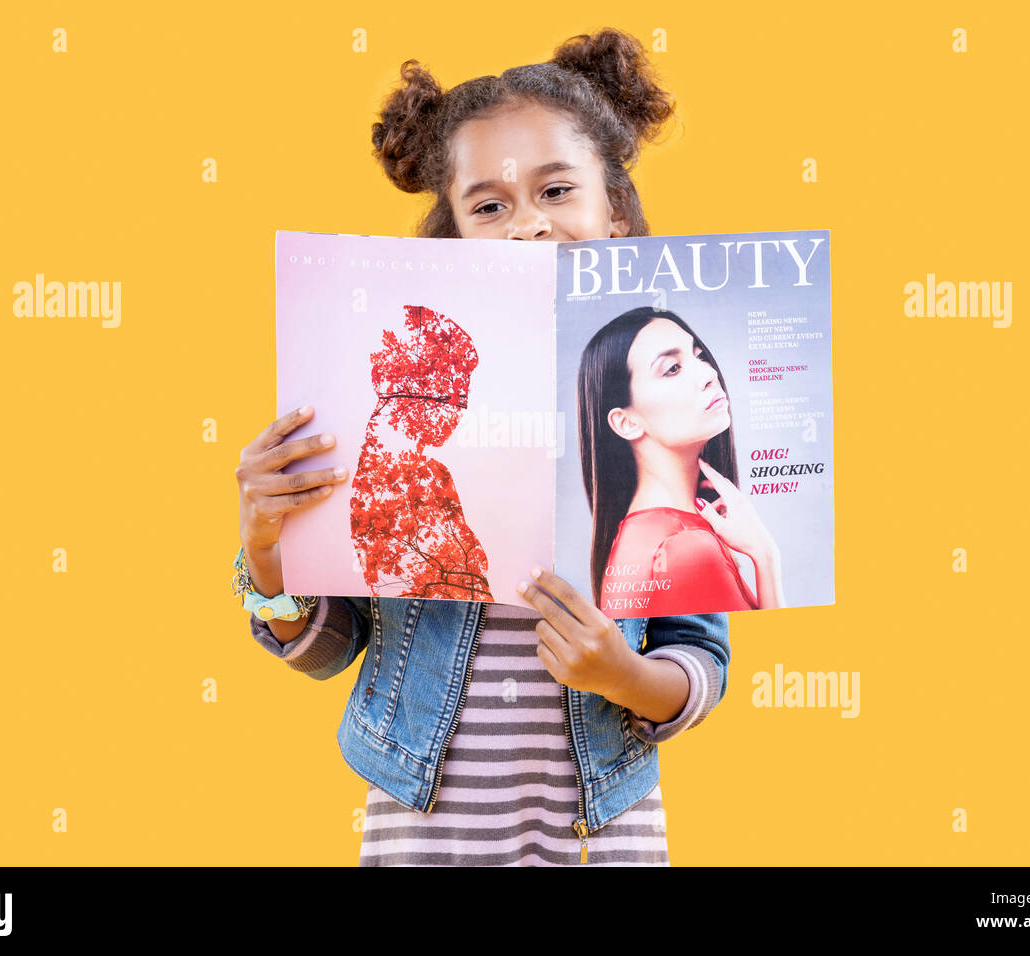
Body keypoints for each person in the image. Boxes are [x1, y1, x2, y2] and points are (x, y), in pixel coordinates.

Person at [234, 28, 730, 866]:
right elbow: (326, 650)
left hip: (604, 832)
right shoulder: (383, 405)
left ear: (613, 214)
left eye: (557, 190)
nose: (527, 226)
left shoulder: (653, 409)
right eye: (490, 205)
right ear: (454, 234)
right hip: (418, 828)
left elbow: (700, 656)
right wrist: (266, 551)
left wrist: (621, 675)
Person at [577, 306, 786, 615]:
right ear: (627, 422)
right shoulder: (685, 549)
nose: (709, 374)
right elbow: (773, 660)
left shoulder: (646, 535)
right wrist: (766, 556)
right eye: (672, 368)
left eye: (699, 355)